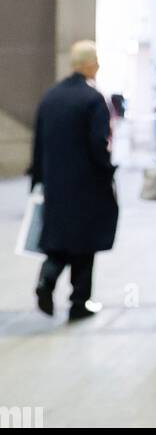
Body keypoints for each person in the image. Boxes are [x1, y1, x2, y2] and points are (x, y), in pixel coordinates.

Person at [30, 39, 118, 322]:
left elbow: (38, 143)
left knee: (59, 239)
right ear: (90, 65)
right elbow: (99, 143)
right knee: (85, 242)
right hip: (88, 184)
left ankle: (47, 279)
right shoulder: (93, 99)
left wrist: (38, 180)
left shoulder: (50, 97)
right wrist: (107, 171)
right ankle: (79, 301)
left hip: (56, 183)